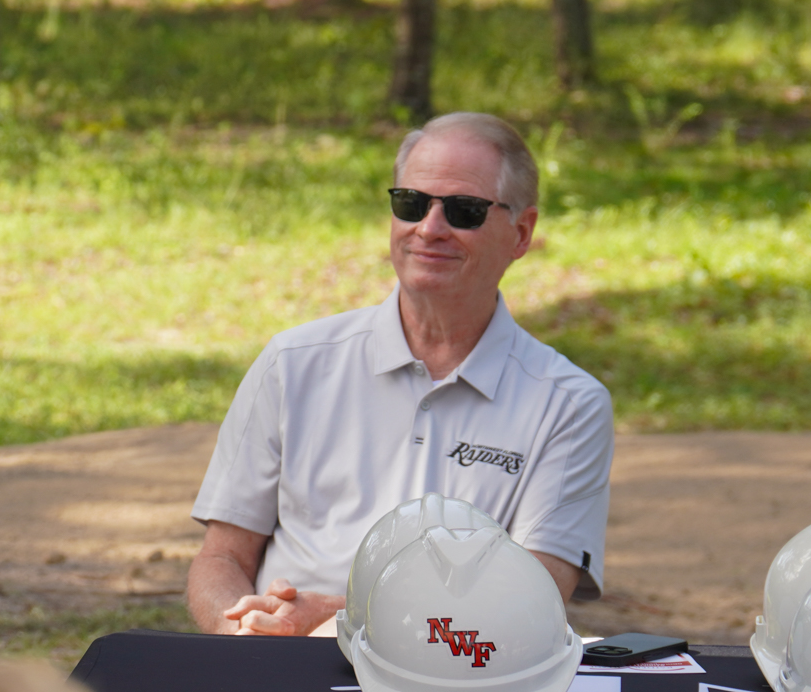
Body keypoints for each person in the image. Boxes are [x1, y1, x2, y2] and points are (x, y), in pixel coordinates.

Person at [186, 112, 612, 636]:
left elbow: (530, 606)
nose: (429, 229)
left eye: (464, 211)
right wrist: (239, 633)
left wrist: (340, 623)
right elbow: (222, 558)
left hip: (453, 673)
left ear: (521, 234)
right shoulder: (292, 362)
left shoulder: (569, 405)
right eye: (410, 203)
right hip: (280, 661)